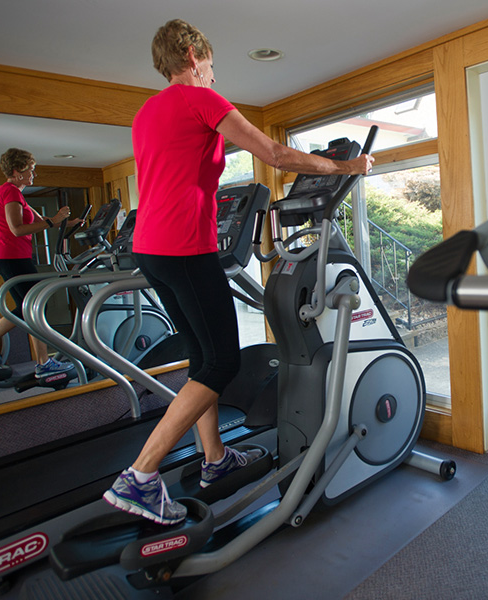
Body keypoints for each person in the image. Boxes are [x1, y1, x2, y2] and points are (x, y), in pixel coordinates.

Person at [103, 18, 374, 525]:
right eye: (208, 63)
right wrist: (345, 168)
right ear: (191, 56)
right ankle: (139, 476)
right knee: (222, 363)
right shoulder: (202, 99)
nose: (211, 72)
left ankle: (214, 461)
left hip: (151, 249)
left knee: (201, 357)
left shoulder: (146, 113)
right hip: (185, 247)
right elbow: (271, 152)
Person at [0, 148, 79, 378]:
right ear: (16, 171)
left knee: (29, 306)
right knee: (33, 306)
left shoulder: (15, 193)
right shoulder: (9, 192)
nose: (34, 175)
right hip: (11, 257)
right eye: (30, 170)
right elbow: (17, 229)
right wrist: (53, 223)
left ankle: (43, 362)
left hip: (13, 256)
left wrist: (70, 223)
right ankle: (43, 363)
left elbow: (44, 221)